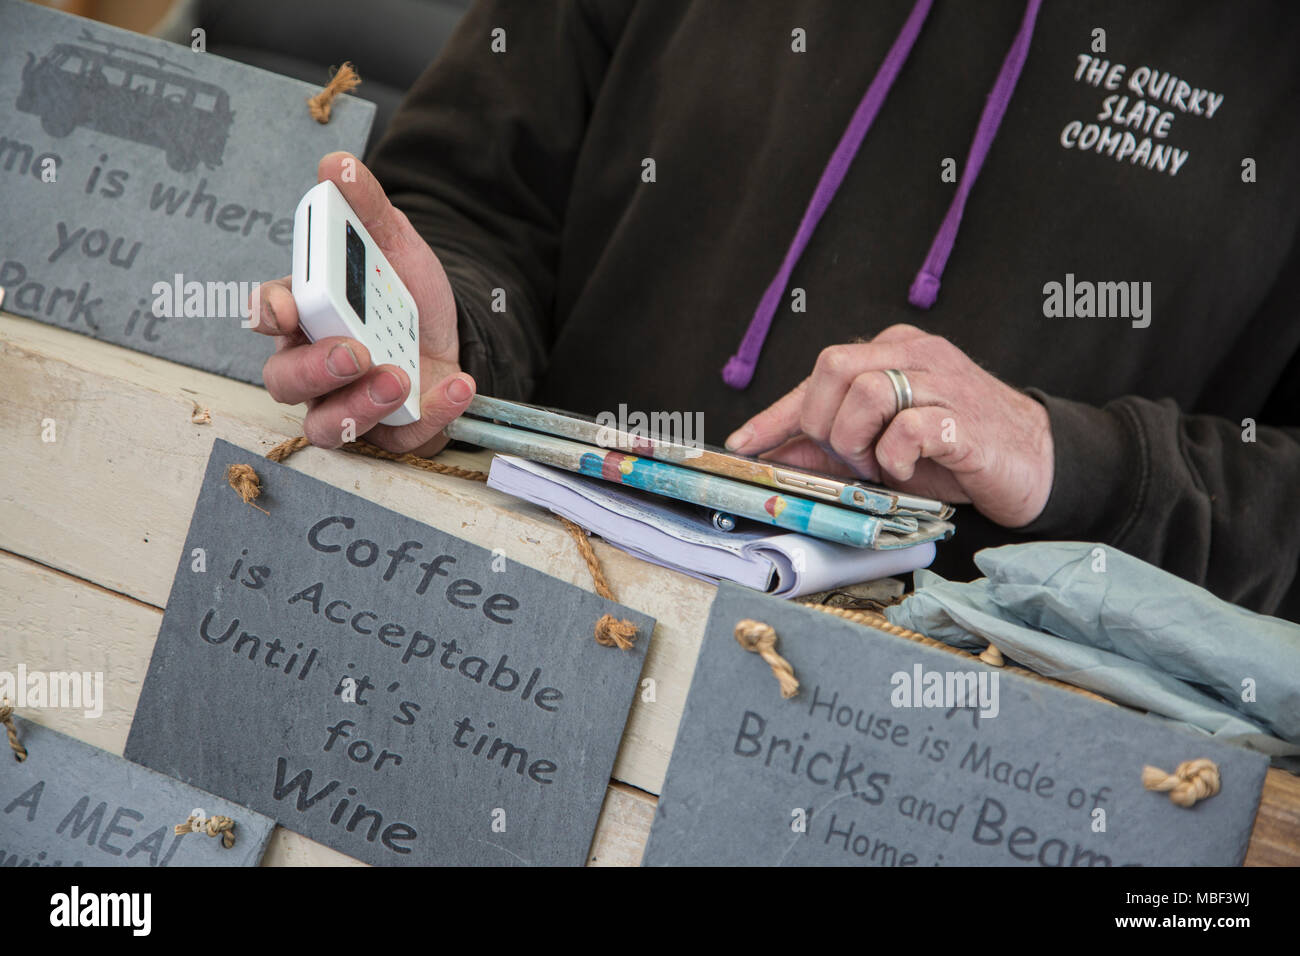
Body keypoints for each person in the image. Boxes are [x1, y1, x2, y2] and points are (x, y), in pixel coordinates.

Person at [248, 1, 1300, 619]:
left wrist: (1078, 461)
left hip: (991, 774)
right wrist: (444, 336)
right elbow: (475, 200)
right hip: (498, 615)